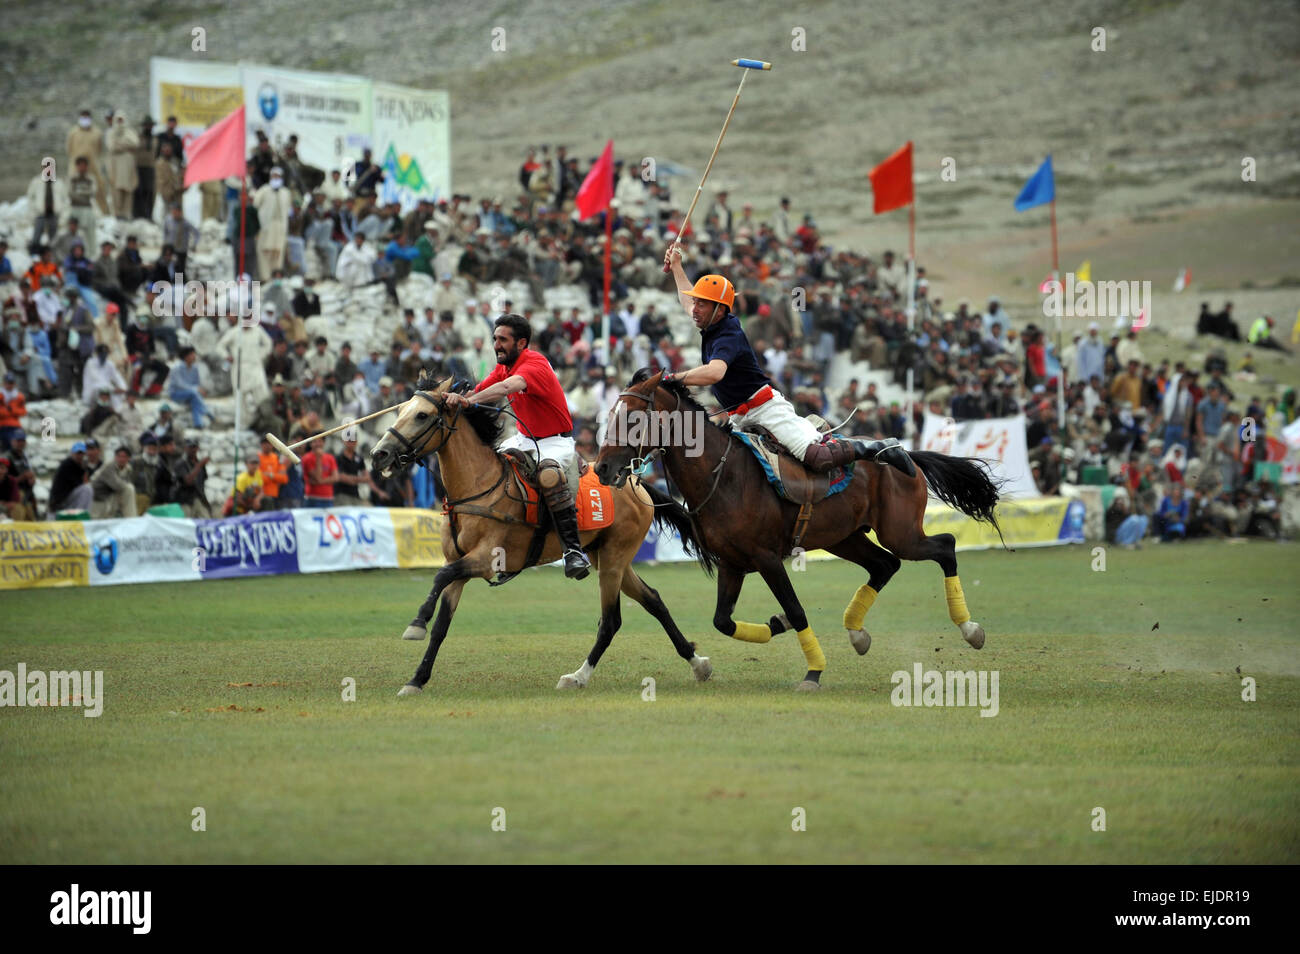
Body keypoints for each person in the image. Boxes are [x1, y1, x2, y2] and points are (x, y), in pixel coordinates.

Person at [661, 246, 913, 477]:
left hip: (765, 410)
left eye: (702, 304)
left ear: (720, 309)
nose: (694, 308)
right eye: (696, 302)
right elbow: (686, 301)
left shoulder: (728, 334)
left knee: (818, 458)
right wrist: (677, 266)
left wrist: (673, 378)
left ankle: (877, 448)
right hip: (739, 419)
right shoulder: (709, 322)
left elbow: (715, 373)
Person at [442, 313, 592, 579]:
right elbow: (479, 389)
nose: (496, 344)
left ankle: (573, 551)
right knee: (491, 472)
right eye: (495, 339)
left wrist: (469, 401)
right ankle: (509, 546)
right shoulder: (504, 365)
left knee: (549, 477)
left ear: (522, 343)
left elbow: (507, 387)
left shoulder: (535, 363)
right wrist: (452, 398)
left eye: (503, 340)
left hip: (554, 442)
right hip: (524, 438)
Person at [167, 347, 213, 429]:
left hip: (190, 394)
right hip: (176, 393)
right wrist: (196, 389)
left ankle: (198, 424)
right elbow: (179, 384)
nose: (194, 356)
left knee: (195, 399)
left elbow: (196, 383)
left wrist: (200, 389)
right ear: (186, 356)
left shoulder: (195, 368)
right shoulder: (177, 368)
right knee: (194, 393)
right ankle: (207, 412)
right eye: (192, 354)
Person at [90, 444, 138, 518]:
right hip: (97, 496)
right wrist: (126, 484)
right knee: (129, 488)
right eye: (119, 456)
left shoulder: (128, 469)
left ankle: (131, 518)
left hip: (110, 496)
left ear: (129, 458)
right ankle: (131, 518)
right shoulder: (109, 466)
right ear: (115, 457)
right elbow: (117, 485)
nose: (121, 459)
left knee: (129, 489)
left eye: (124, 457)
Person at [48, 441, 93, 514]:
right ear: (72, 453)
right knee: (86, 489)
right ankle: (79, 514)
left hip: (66, 498)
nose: (80, 456)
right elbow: (78, 483)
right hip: (59, 502)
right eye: (78, 453)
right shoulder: (68, 464)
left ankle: (82, 513)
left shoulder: (79, 465)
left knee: (87, 489)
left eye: (81, 453)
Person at [172, 437, 211, 518]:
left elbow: (202, 482)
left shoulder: (199, 463)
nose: (193, 450)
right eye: (190, 447)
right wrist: (199, 465)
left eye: (194, 447)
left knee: (206, 521)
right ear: (185, 448)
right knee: (186, 524)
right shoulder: (181, 463)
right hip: (185, 501)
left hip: (199, 499)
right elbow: (188, 481)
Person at [300, 436, 337, 508]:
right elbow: (317, 477)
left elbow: (335, 478)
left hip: (328, 498)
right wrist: (319, 458)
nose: (317, 444)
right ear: (310, 444)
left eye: (320, 441)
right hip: (312, 498)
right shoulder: (307, 458)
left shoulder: (330, 457)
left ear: (324, 443)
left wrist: (321, 481)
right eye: (314, 441)